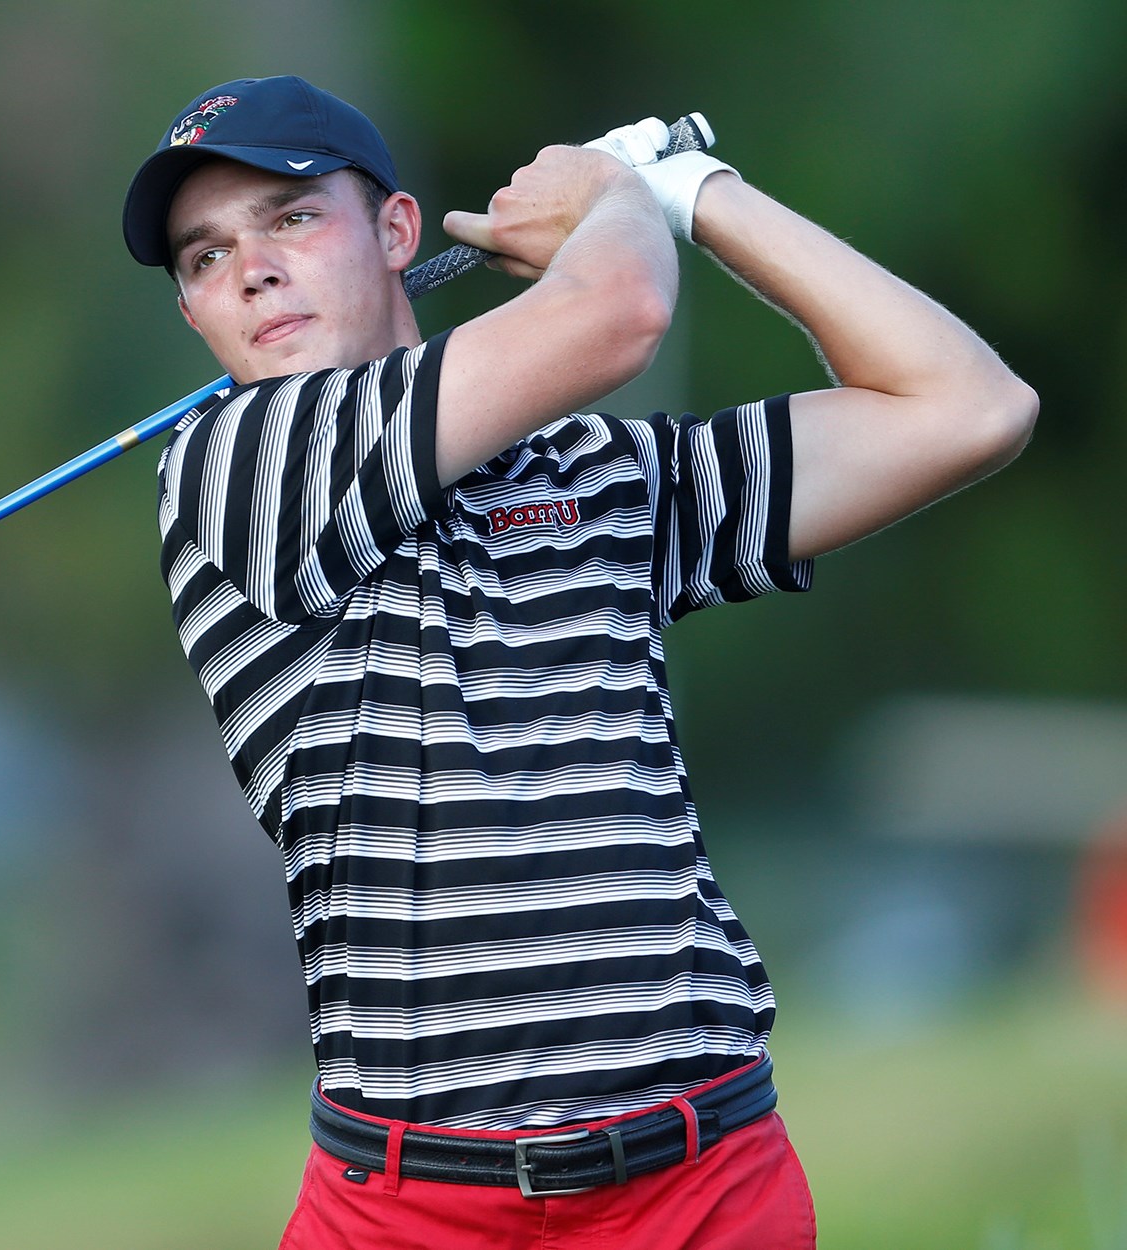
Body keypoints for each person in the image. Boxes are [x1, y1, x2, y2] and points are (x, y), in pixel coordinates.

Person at [121, 76, 1036, 1249]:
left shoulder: (597, 477)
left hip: (696, 1187)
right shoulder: (229, 472)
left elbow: (967, 405)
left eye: (289, 217)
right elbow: (613, 313)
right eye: (204, 256)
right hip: (409, 1208)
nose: (247, 268)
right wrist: (612, 201)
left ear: (396, 232)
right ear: (194, 313)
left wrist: (698, 195)